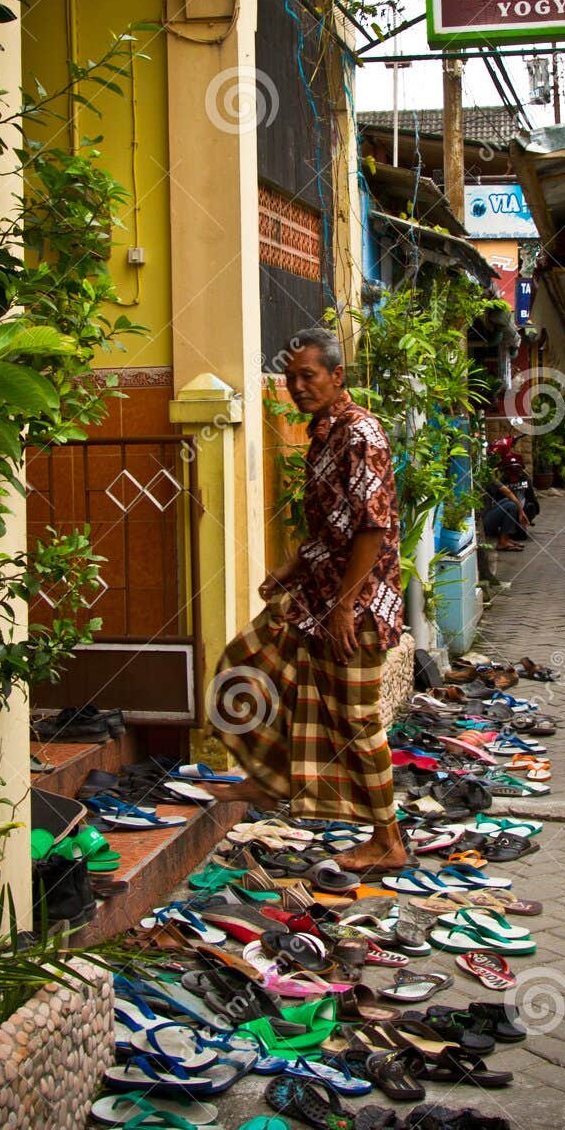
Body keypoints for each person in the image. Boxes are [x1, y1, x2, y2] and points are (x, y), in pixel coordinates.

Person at [208, 328, 408, 875]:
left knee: (356, 720)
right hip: (318, 599)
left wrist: (344, 606)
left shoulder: (362, 434)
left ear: (337, 376)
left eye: (308, 376)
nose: (297, 386)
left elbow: (372, 527)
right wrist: (289, 571)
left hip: (358, 608)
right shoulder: (325, 432)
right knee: (261, 666)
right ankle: (271, 780)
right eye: (292, 377)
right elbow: (330, 527)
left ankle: (387, 838)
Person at [482, 478, 530, 551]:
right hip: (482, 523)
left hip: (486, 516)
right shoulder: (485, 475)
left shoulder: (482, 475)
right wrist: (521, 512)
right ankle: (503, 543)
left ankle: (505, 538)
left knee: (507, 500)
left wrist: (521, 511)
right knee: (511, 506)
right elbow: (507, 492)